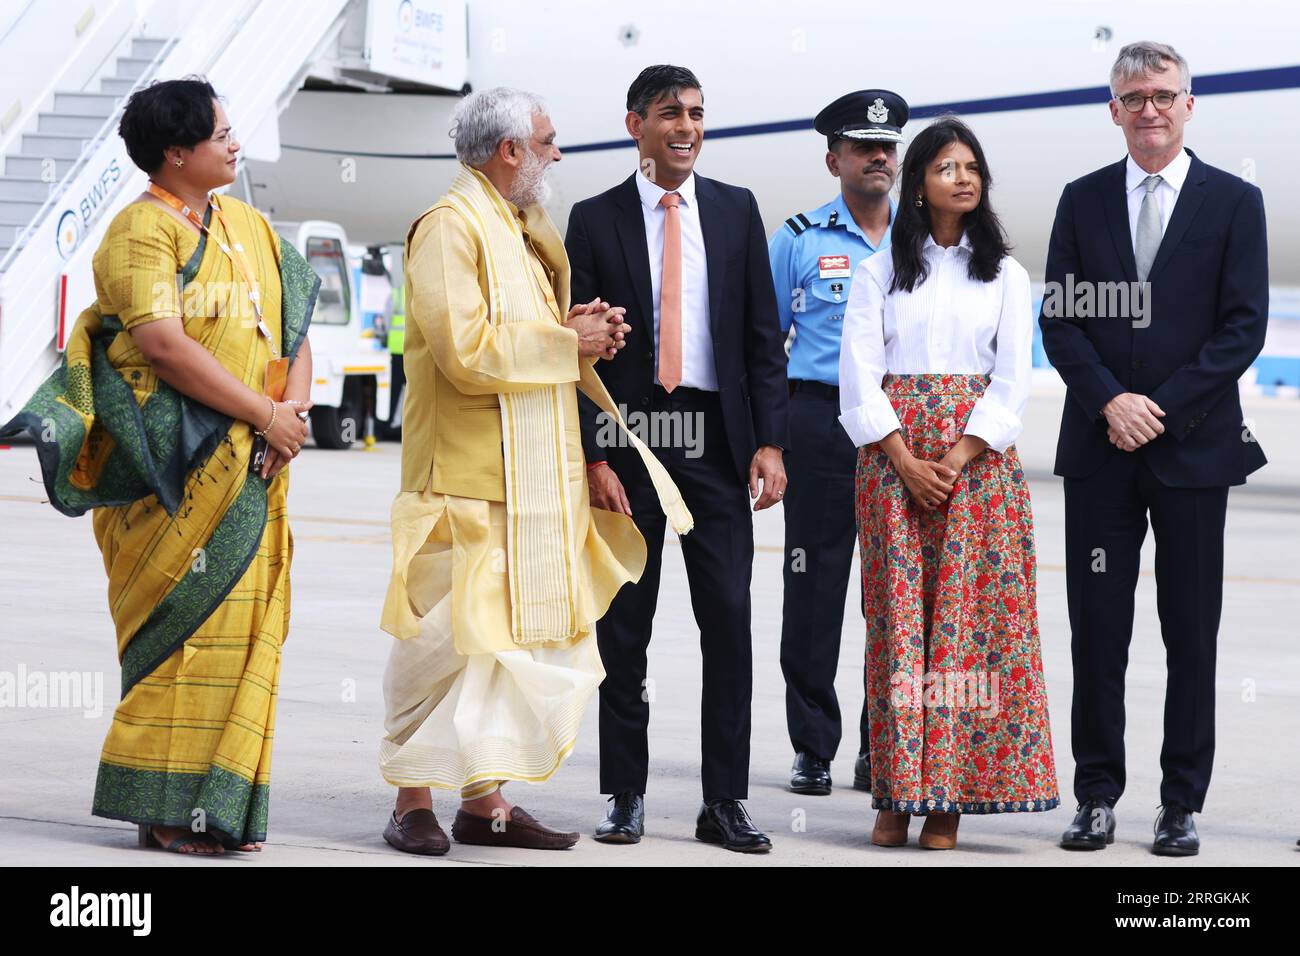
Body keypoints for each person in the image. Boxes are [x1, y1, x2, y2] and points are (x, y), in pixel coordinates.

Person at [0, 78, 317, 855]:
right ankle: (168, 810)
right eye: (220, 134)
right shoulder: (142, 232)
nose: (235, 142)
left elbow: (296, 326)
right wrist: (264, 413)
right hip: (172, 479)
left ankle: (223, 809)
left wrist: (290, 418)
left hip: (260, 463)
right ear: (176, 154)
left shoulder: (248, 225)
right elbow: (162, 345)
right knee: (185, 639)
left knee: (249, 639)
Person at [377, 87, 692, 855]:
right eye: (547, 141)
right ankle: (410, 798)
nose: (557, 154)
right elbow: (463, 349)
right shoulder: (450, 228)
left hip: (531, 478)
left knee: (504, 653)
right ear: (510, 149)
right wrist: (564, 343)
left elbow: (535, 334)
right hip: (462, 478)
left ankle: (484, 801)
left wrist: (583, 333)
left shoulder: (521, 228)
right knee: (439, 647)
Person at [1041, 41, 1268, 857]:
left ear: (1189, 105)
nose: (1150, 109)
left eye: (1164, 95)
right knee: (1098, 630)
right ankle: (1096, 795)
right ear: (1114, 109)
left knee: (1189, 630)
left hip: (1194, 452)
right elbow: (1059, 318)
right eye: (1134, 96)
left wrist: (1157, 407)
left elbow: (1242, 328)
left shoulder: (1235, 202)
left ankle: (1181, 803)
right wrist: (1110, 400)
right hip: (1102, 451)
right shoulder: (1083, 199)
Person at [566, 64, 789, 852]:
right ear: (636, 125)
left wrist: (769, 441)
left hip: (717, 443)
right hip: (629, 443)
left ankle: (723, 801)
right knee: (625, 627)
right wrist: (596, 457)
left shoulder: (735, 211)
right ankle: (624, 791)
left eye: (696, 113)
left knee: (728, 623)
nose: (687, 127)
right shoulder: (593, 220)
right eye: (670, 114)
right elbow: (579, 355)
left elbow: (764, 339)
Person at [839, 115, 1059, 850]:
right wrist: (904, 459)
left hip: (977, 473)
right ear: (920, 181)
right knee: (898, 630)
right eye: (945, 167)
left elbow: (1012, 381)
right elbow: (858, 375)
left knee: (966, 634)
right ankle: (896, 792)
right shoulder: (880, 269)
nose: (961, 177)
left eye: (971, 167)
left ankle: (947, 800)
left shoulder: (1006, 272)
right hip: (891, 468)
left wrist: (956, 458)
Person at [768, 89, 906, 796]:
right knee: (814, 589)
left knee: (896, 596)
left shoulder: (927, 238)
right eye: (863, 146)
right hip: (819, 425)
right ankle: (814, 746)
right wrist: (766, 442)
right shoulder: (798, 237)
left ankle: (882, 746)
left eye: (888, 146)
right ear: (835, 159)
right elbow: (762, 345)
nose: (879, 156)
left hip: (902, 434)